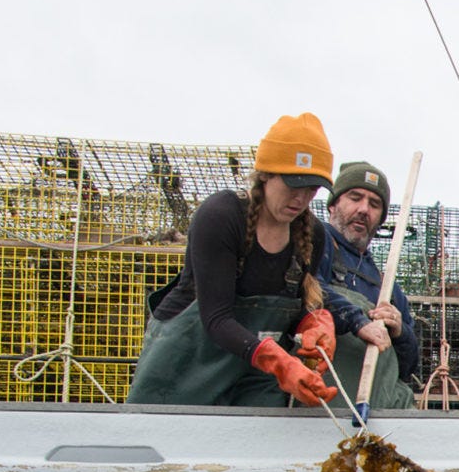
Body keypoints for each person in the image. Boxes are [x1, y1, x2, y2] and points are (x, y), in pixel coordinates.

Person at [126, 113, 344, 408]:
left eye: (312, 189)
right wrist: (278, 361)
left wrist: (316, 322)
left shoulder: (312, 234)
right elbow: (216, 318)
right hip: (188, 364)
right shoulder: (222, 216)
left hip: (256, 376)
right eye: (294, 184)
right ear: (266, 173)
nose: (301, 199)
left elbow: (297, 306)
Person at [319, 160, 423, 410]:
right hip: (321, 409)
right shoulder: (316, 243)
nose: (364, 209)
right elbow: (309, 292)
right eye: (355, 198)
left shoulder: (385, 284)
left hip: (378, 412)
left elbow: (408, 367)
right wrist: (357, 320)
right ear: (333, 205)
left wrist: (399, 331)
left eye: (374, 204)